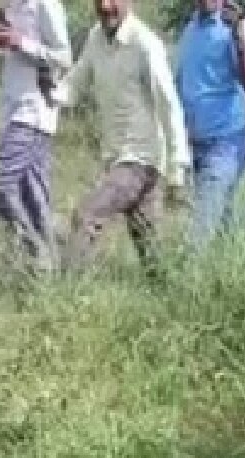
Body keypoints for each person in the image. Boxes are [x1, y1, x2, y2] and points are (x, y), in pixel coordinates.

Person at [52, 0, 190, 273]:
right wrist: (46, 94)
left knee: (87, 215)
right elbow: (75, 83)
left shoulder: (145, 44)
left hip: (140, 160)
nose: (105, 6)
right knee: (152, 254)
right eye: (99, 0)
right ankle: (171, 297)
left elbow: (168, 104)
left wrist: (177, 167)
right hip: (118, 157)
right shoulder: (96, 38)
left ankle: (64, 291)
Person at [0, 0, 71, 270]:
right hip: (13, 107)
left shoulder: (47, 6)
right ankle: (50, 270)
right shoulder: (11, 6)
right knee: (34, 197)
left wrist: (21, 42)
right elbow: (14, 59)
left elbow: (64, 57)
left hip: (35, 111)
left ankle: (36, 250)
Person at [175, 0, 245, 241]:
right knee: (223, 231)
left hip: (225, 143)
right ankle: (230, 277)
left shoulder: (234, 27)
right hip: (195, 144)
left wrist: (239, 35)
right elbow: (181, 81)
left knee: (201, 229)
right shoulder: (190, 29)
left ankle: (184, 277)